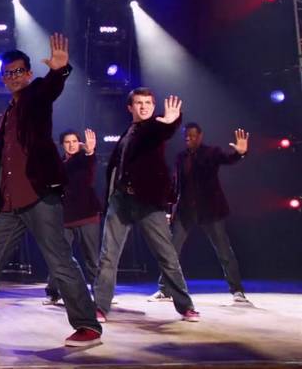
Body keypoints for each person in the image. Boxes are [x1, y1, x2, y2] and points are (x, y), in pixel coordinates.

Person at [0, 40, 102, 348]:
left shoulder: (36, 95)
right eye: (7, 73)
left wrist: (60, 70)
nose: (13, 77)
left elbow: (50, 88)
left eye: (18, 71)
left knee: (60, 261)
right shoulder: (8, 113)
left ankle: (87, 326)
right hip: (8, 203)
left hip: (39, 196)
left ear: (28, 73)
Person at [92, 88, 200, 323]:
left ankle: (186, 306)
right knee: (108, 256)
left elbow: (161, 131)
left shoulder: (153, 128)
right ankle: (99, 307)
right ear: (130, 107)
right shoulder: (128, 132)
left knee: (167, 255)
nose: (144, 107)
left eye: (148, 103)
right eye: (139, 103)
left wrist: (171, 122)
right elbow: (116, 168)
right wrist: (110, 197)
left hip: (148, 202)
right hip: (121, 200)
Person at [148, 123, 249, 303]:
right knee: (171, 251)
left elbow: (227, 159)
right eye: (186, 135)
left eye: (192, 135)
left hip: (210, 211)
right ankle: (165, 289)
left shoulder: (211, 152)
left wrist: (239, 153)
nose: (189, 138)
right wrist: (170, 210)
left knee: (224, 251)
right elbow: (176, 186)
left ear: (200, 136)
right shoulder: (181, 157)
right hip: (185, 212)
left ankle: (237, 291)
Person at [43, 129, 102, 306]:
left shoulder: (84, 159)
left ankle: (101, 295)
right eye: (67, 142)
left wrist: (90, 151)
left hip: (87, 215)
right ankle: (53, 292)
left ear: (80, 143)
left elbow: (90, 164)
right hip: (65, 217)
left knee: (92, 258)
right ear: (62, 145)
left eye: (75, 141)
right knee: (59, 257)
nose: (71, 145)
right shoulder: (57, 163)